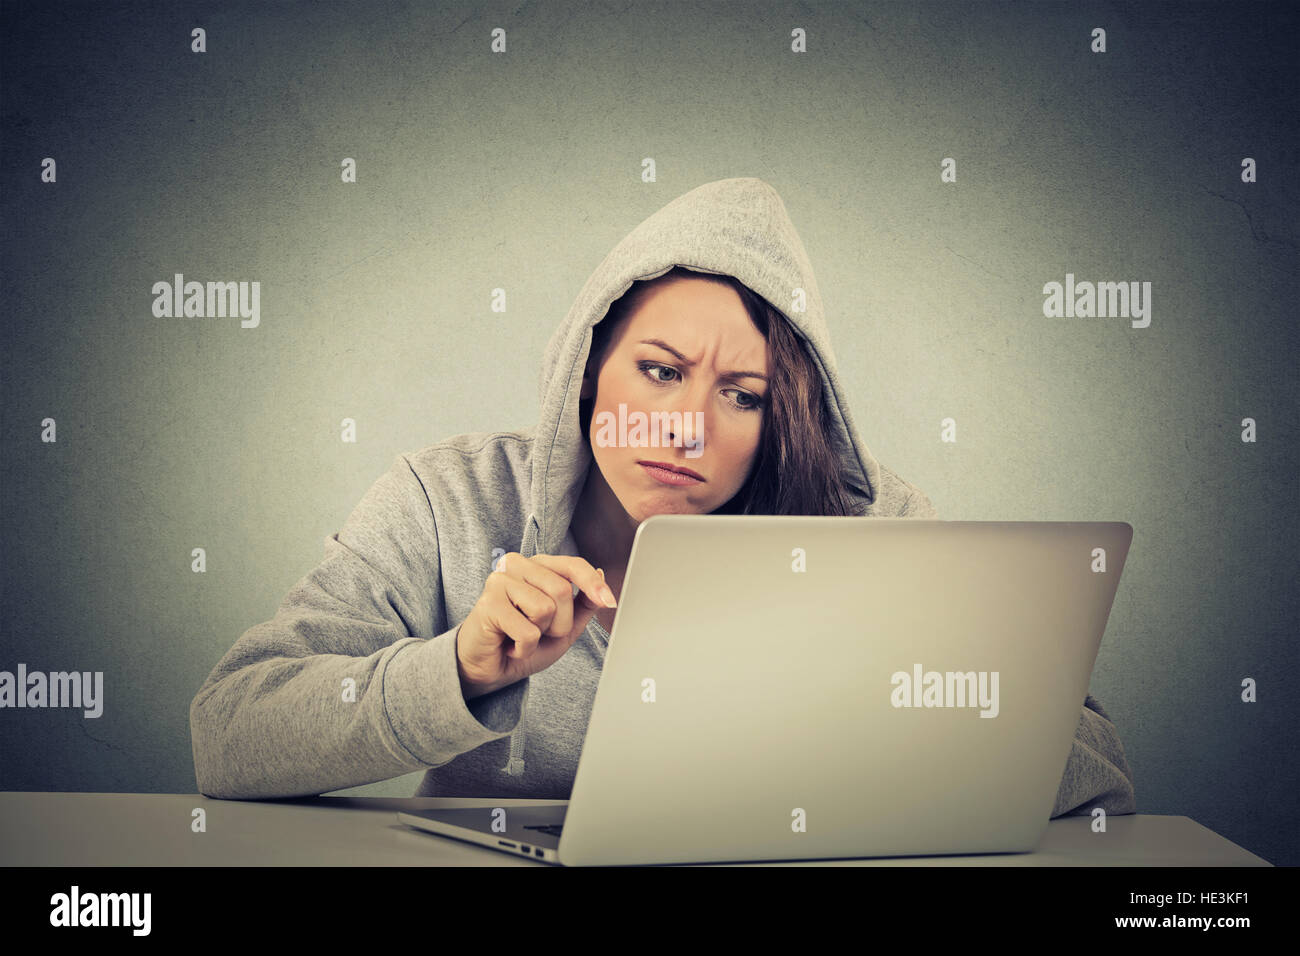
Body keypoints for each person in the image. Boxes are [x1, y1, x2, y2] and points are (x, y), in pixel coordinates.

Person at [190, 177, 1136, 820]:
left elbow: (1091, 761)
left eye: (743, 396)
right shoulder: (446, 501)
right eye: (660, 370)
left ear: (781, 418)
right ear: (589, 370)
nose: (687, 428)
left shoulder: (870, 527)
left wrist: (882, 705)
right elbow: (230, 732)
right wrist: (460, 671)